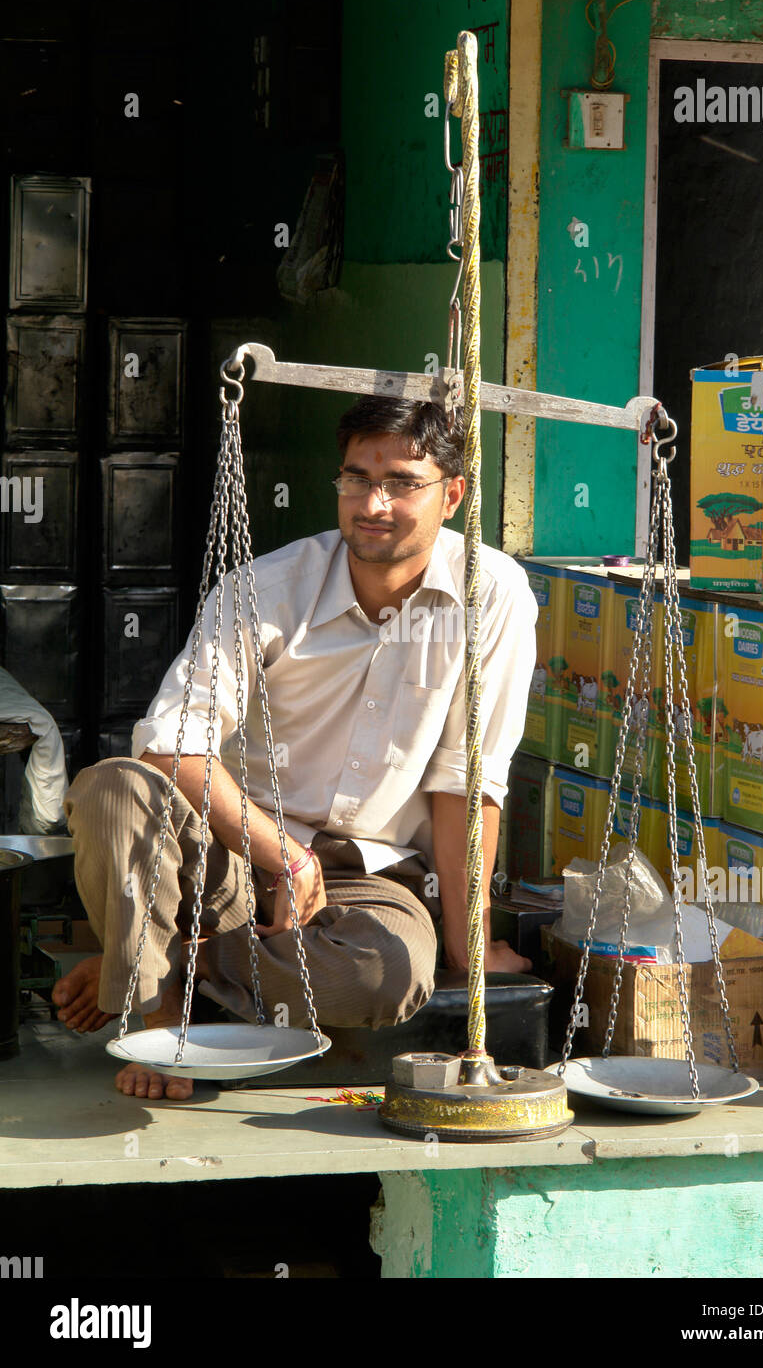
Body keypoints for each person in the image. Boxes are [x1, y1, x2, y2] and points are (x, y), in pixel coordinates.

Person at [52, 396, 539, 1100]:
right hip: (235, 857)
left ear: (452, 495)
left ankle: (151, 964)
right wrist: (283, 854)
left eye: (402, 482)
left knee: (390, 973)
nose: (374, 503)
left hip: (367, 879)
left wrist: (469, 947)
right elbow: (170, 742)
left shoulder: (492, 596)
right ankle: (157, 1019)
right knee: (115, 786)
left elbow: (467, 782)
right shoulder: (268, 589)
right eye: (356, 479)